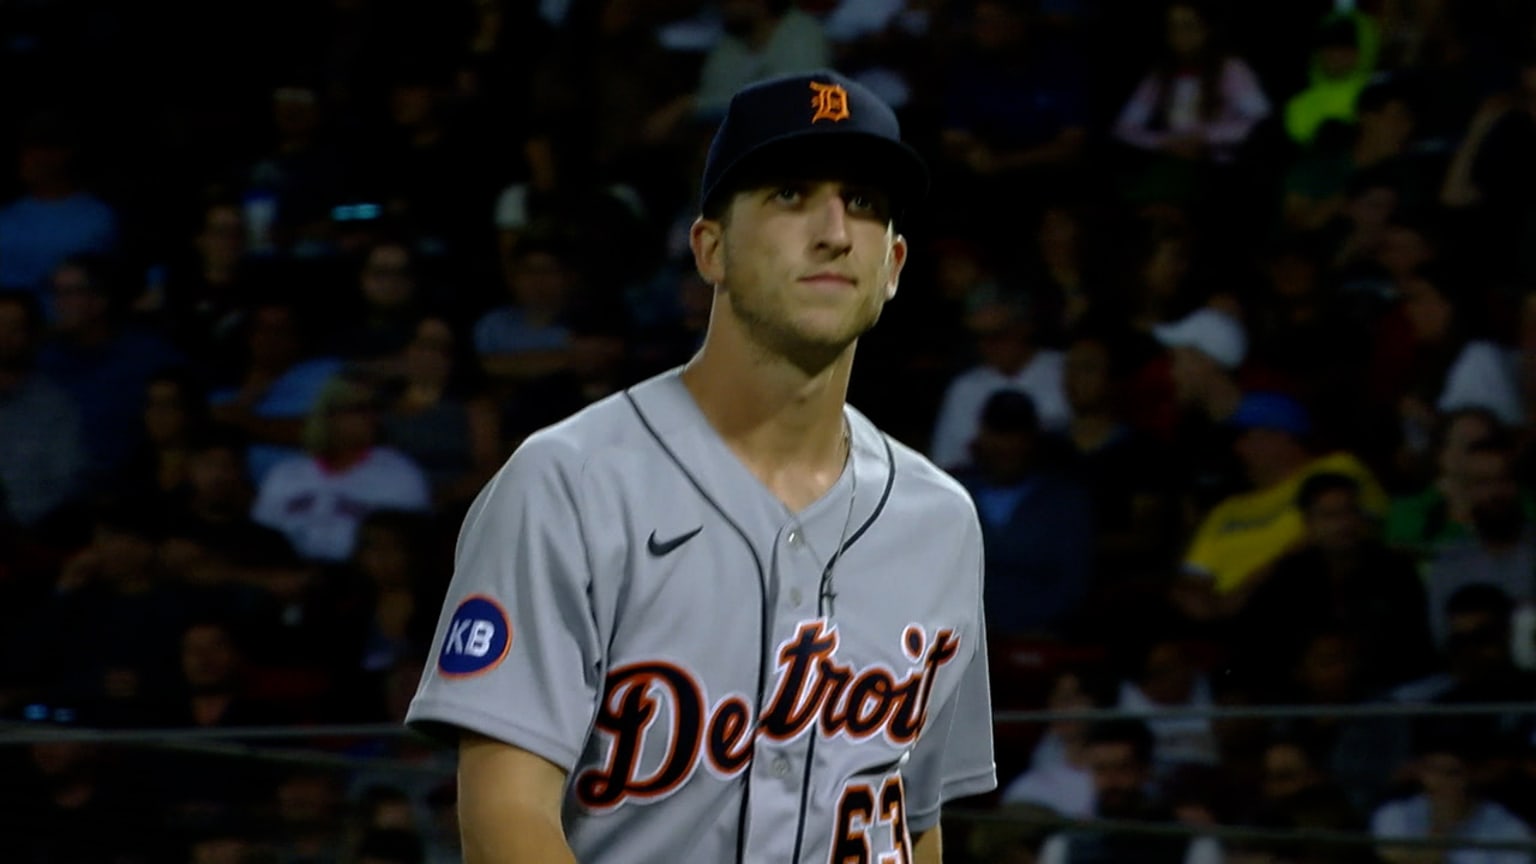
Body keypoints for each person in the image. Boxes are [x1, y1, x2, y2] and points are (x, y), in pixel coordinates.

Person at [406, 70, 995, 863]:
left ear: (892, 264)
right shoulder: (570, 484)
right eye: (790, 194)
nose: (833, 230)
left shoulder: (942, 520)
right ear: (709, 248)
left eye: (862, 203)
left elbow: (915, 821)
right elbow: (506, 818)